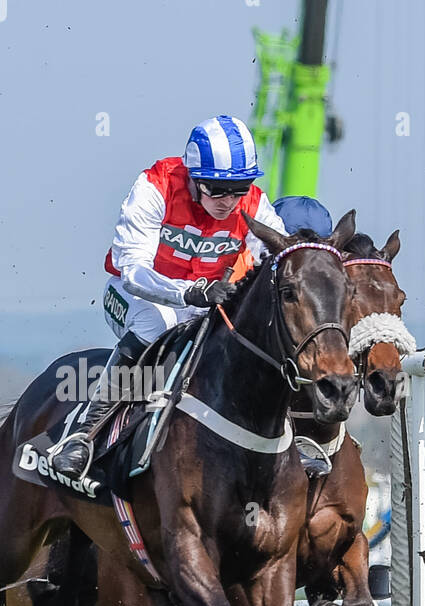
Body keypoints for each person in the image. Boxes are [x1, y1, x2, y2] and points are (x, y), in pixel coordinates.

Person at [50, 114, 288, 479]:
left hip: (204, 305)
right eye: (217, 188)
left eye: (240, 188)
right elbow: (133, 274)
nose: (228, 201)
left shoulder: (254, 206)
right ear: (193, 178)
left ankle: (294, 440)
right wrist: (189, 293)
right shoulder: (154, 187)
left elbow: (281, 258)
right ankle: (83, 434)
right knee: (155, 321)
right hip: (134, 297)